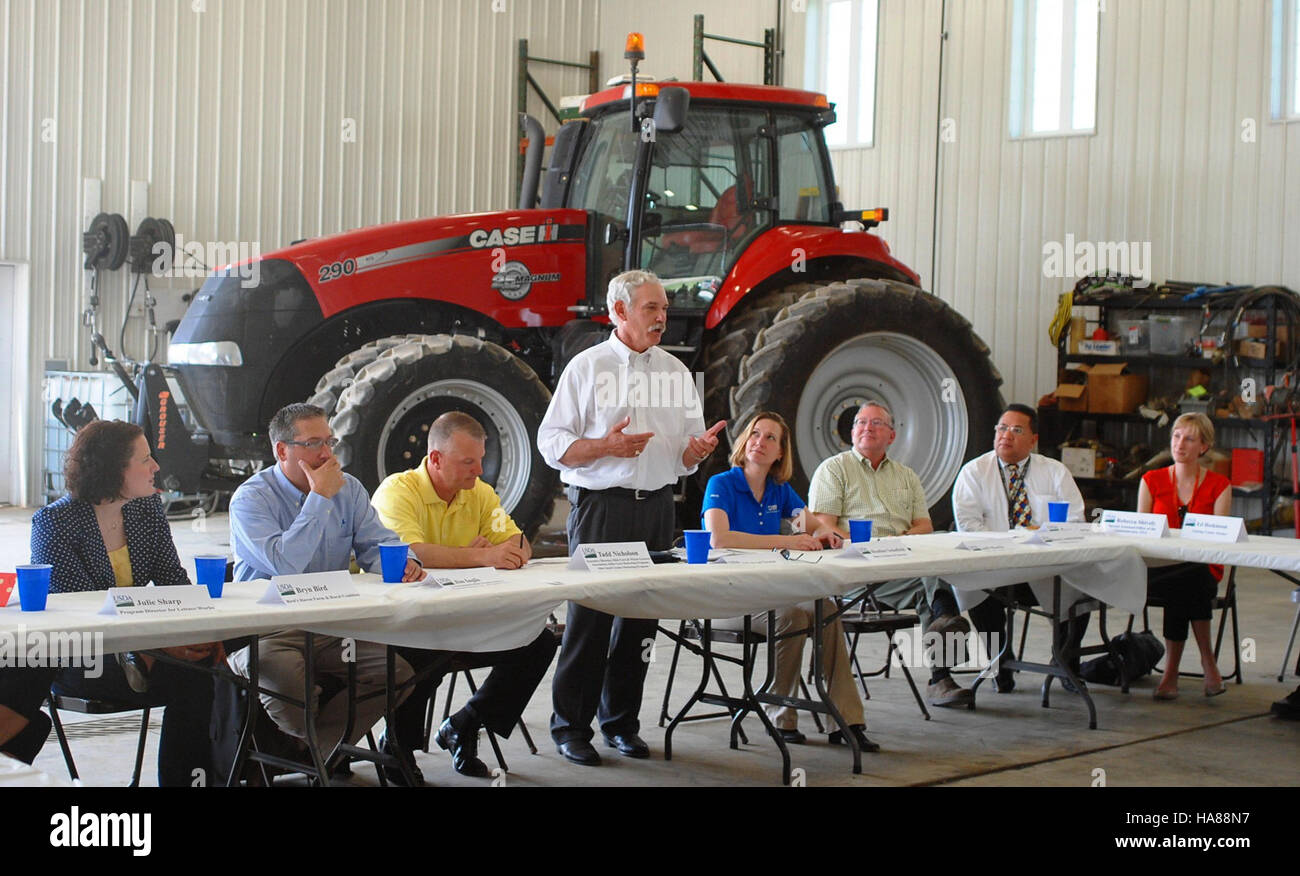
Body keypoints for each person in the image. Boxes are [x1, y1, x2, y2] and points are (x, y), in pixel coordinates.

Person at [538, 269, 725, 766]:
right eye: (651, 308)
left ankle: (620, 723)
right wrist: (607, 446)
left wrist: (698, 451)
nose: (662, 317)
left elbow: (685, 454)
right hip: (602, 508)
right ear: (619, 312)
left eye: (664, 308)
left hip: (658, 508)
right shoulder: (587, 367)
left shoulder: (676, 373)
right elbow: (551, 443)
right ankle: (570, 728)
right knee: (589, 624)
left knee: (640, 626)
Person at [0, 420, 218, 786]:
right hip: (83, 658)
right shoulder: (54, 522)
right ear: (114, 469)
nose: (156, 467)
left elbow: (174, 583)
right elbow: (83, 611)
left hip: (142, 646)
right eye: (145, 459)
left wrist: (201, 633)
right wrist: (157, 643)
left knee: (204, 667)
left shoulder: (146, 510)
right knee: (28, 659)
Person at [227, 403, 421, 766]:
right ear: (282, 450)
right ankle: (325, 751)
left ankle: (313, 752)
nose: (327, 453)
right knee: (284, 680)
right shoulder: (251, 498)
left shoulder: (349, 489)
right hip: (268, 626)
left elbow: (377, 547)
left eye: (329, 441)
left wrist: (407, 563)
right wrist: (319, 498)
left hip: (332, 623)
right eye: (313, 443)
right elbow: (285, 564)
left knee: (397, 674)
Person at [371, 412, 558, 783]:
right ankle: (397, 747)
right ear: (436, 459)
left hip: (466, 616)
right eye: (468, 462)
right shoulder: (398, 490)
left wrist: (479, 556)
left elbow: (520, 544)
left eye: (481, 460)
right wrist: (481, 557)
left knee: (538, 643)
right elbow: (408, 552)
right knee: (424, 653)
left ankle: (465, 724)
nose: (479, 470)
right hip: (408, 621)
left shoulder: (480, 492)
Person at [703, 411, 878, 752]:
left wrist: (830, 536)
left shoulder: (779, 492)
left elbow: (814, 526)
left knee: (826, 609)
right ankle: (780, 715)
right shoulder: (721, 483)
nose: (761, 442)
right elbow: (719, 538)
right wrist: (788, 541)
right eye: (755, 434)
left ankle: (846, 720)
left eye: (771, 438)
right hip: (727, 599)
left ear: (781, 452)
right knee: (791, 616)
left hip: (771, 592)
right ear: (744, 441)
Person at [807, 401, 973, 708]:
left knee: (934, 566)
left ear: (892, 436)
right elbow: (824, 529)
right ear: (852, 431)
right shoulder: (834, 469)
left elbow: (924, 525)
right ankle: (946, 628)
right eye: (860, 422)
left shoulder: (906, 475)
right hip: (856, 572)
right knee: (932, 583)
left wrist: (901, 542)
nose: (867, 428)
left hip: (901, 565)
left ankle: (941, 665)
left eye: (876, 423)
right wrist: (879, 546)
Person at [952, 404, 1091, 692]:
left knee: (1082, 585)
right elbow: (968, 525)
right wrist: (1010, 545)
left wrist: (1041, 539)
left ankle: (1065, 663)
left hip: (1045, 567)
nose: (1006, 435)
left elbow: (1075, 519)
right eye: (1002, 428)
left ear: (1033, 439)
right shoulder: (974, 472)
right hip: (997, 567)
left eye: (1017, 430)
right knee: (975, 589)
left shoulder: (1054, 471)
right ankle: (1001, 661)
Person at [1137, 412, 1230, 700]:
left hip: (1201, 569)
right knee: (1188, 582)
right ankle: (1208, 662)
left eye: (1189, 439)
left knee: (1191, 577)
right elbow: (1141, 532)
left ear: (1204, 447)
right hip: (1157, 569)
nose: (1180, 444)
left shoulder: (1219, 485)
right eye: (1176, 436)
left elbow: (1221, 540)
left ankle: (1171, 673)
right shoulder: (1150, 480)